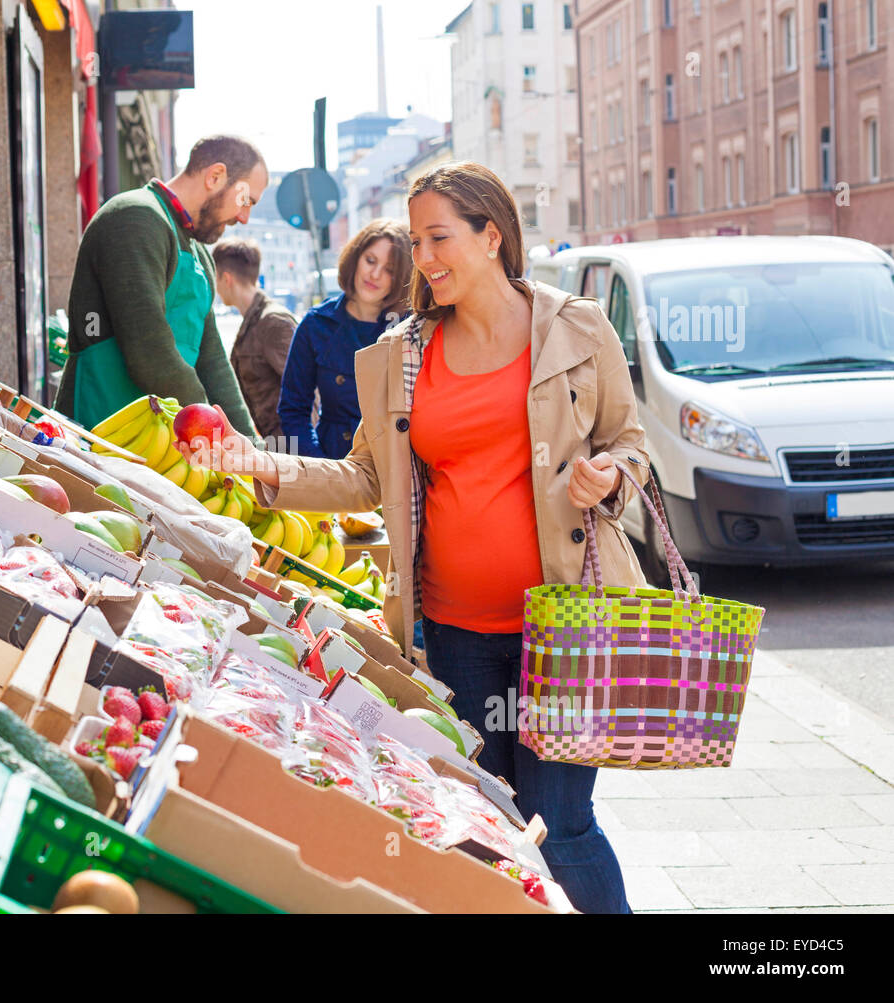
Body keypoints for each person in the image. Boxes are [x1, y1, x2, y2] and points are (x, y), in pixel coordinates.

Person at [177, 162, 651, 915]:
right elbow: (364, 475)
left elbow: (630, 442)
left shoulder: (574, 327)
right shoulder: (404, 354)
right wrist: (259, 461)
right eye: (416, 240)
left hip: (569, 626)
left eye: (439, 239)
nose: (422, 260)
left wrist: (610, 476)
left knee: (558, 827)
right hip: (456, 631)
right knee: (488, 826)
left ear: (491, 234)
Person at [56, 135, 267, 433]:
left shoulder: (200, 254)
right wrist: (215, 433)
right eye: (246, 200)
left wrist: (248, 448)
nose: (245, 217)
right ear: (215, 176)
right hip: (100, 429)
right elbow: (149, 350)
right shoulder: (135, 217)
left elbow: (213, 362)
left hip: (163, 434)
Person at [278, 219, 412, 458]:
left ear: (401, 277)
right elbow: (293, 409)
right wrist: (318, 467)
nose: (375, 274)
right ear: (356, 258)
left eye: (389, 269)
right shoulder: (316, 324)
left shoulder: (409, 328)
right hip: (333, 459)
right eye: (370, 260)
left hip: (392, 466)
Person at [212, 238, 298, 444]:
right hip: (272, 448)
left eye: (214, 277)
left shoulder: (273, 322)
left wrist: (298, 457)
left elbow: (306, 391)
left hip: (289, 450)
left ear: (226, 278)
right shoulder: (254, 321)